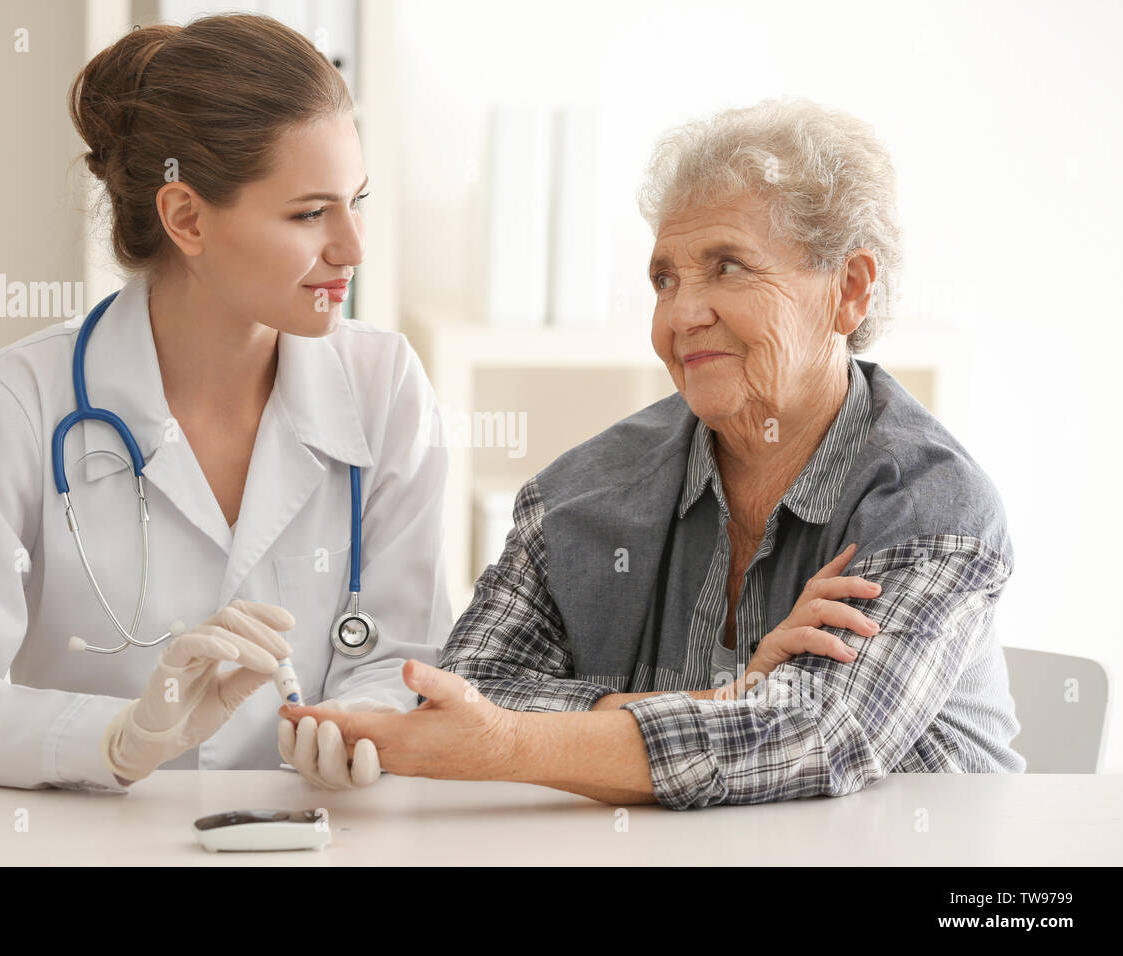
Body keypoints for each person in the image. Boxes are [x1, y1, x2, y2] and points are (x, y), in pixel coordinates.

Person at [281, 97, 1024, 809]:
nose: (680, 316)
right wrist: (722, 702)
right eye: (665, 279)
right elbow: (473, 688)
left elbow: (817, 734)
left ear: (850, 290)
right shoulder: (579, 494)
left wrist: (517, 742)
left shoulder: (930, 505)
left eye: (727, 266)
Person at [0, 14, 452, 793]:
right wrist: (114, 740)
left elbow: (406, 656)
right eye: (309, 213)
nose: (353, 246)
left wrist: (357, 723)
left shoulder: (386, 386)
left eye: (356, 200)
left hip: (315, 836)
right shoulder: (21, 401)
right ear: (187, 217)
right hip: (88, 842)